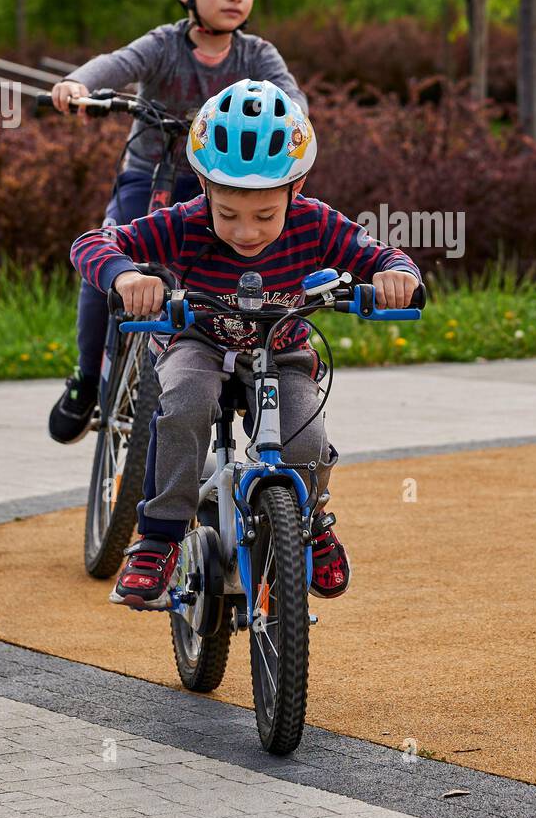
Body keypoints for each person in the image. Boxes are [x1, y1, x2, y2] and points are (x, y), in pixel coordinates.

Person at [69, 79, 423, 606]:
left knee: (305, 439)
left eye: (264, 215)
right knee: (185, 403)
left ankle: (311, 519)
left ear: (294, 191)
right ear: (205, 189)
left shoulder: (315, 223)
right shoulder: (185, 224)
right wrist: (125, 277)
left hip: (282, 350)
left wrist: (398, 275)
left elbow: (381, 256)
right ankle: (160, 537)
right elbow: (93, 243)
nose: (247, 232)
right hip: (199, 342)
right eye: (228, 214)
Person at [49, 0, 307, 444]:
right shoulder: (163, 45)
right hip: (149, 175)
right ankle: (85, 377)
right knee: (108, 253)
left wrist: (295, 122)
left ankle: (241, 363)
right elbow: (114, 64)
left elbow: (290, 100)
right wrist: (78, 84)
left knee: (248, 248)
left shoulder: (257, 54)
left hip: (218, 187)